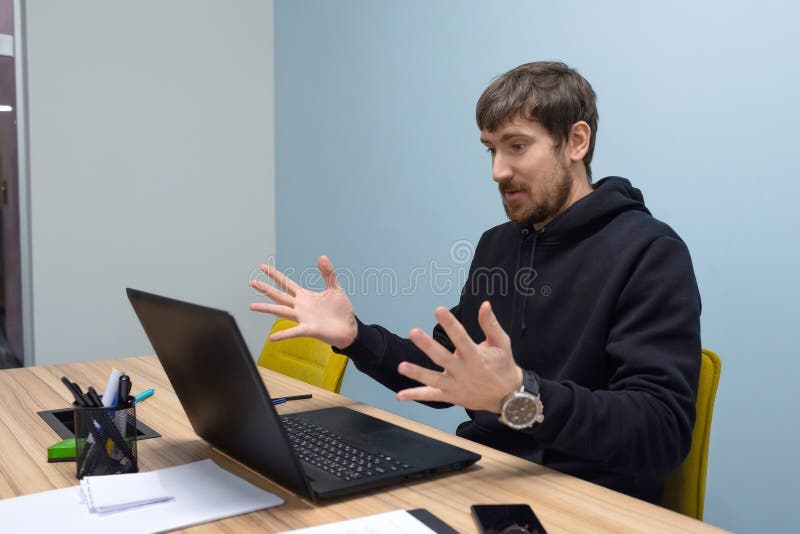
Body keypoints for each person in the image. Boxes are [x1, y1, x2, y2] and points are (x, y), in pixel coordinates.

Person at [250, 61, 701, 505]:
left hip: (585, 500)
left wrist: (520, 395)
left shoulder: (650, 252)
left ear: (576, 141)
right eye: (491, 150)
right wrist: (355, 335)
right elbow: (449, 374)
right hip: (484, 478)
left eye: (517, 146)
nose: (497, 172)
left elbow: (661, 431)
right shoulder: (497, 246)